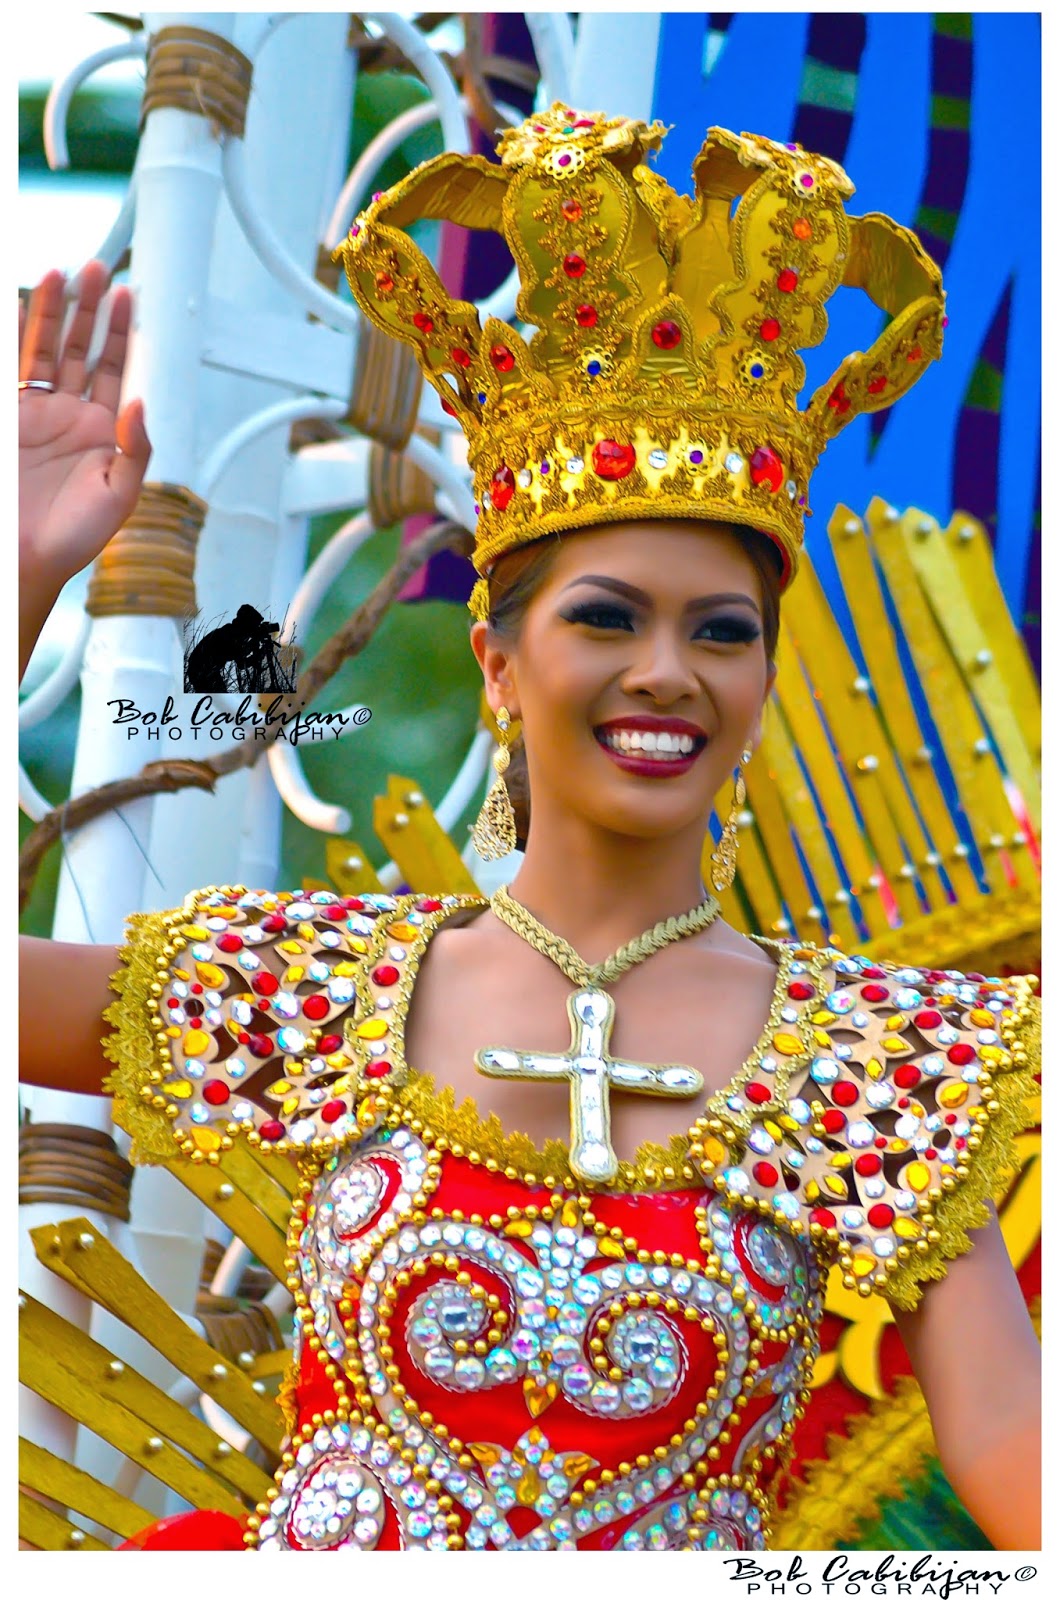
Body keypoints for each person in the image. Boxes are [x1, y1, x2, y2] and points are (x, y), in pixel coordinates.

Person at [19, 108, 1041, 1553]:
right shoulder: (304, 995)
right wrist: (19, 580)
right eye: (607, 620)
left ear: (763, 677)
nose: (667, 672)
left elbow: (1013, 1448)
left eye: (723, 632)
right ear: (499, 666)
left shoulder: (888, 1066)